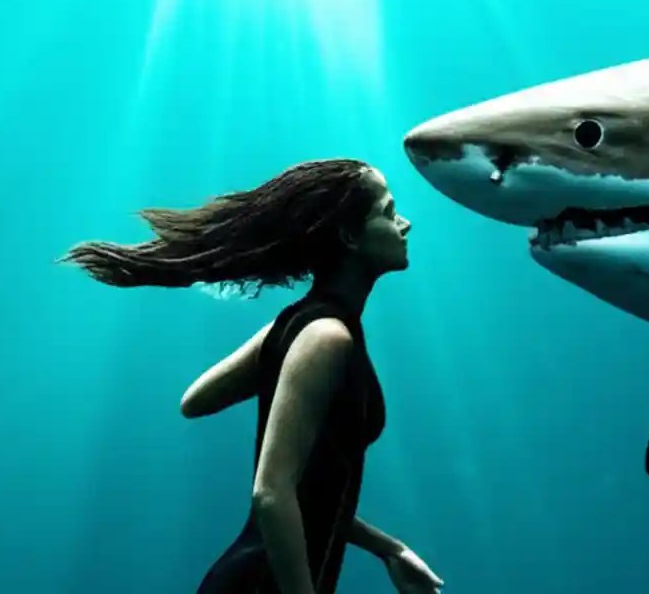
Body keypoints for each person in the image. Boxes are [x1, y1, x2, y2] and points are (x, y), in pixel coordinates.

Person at [60, 158, 444, 594]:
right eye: (389, 212)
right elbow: (272, 493)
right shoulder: (326, 337)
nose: (404, 223)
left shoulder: (298, 328)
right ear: (349, 236)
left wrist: (388, 548)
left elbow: (196, 401)